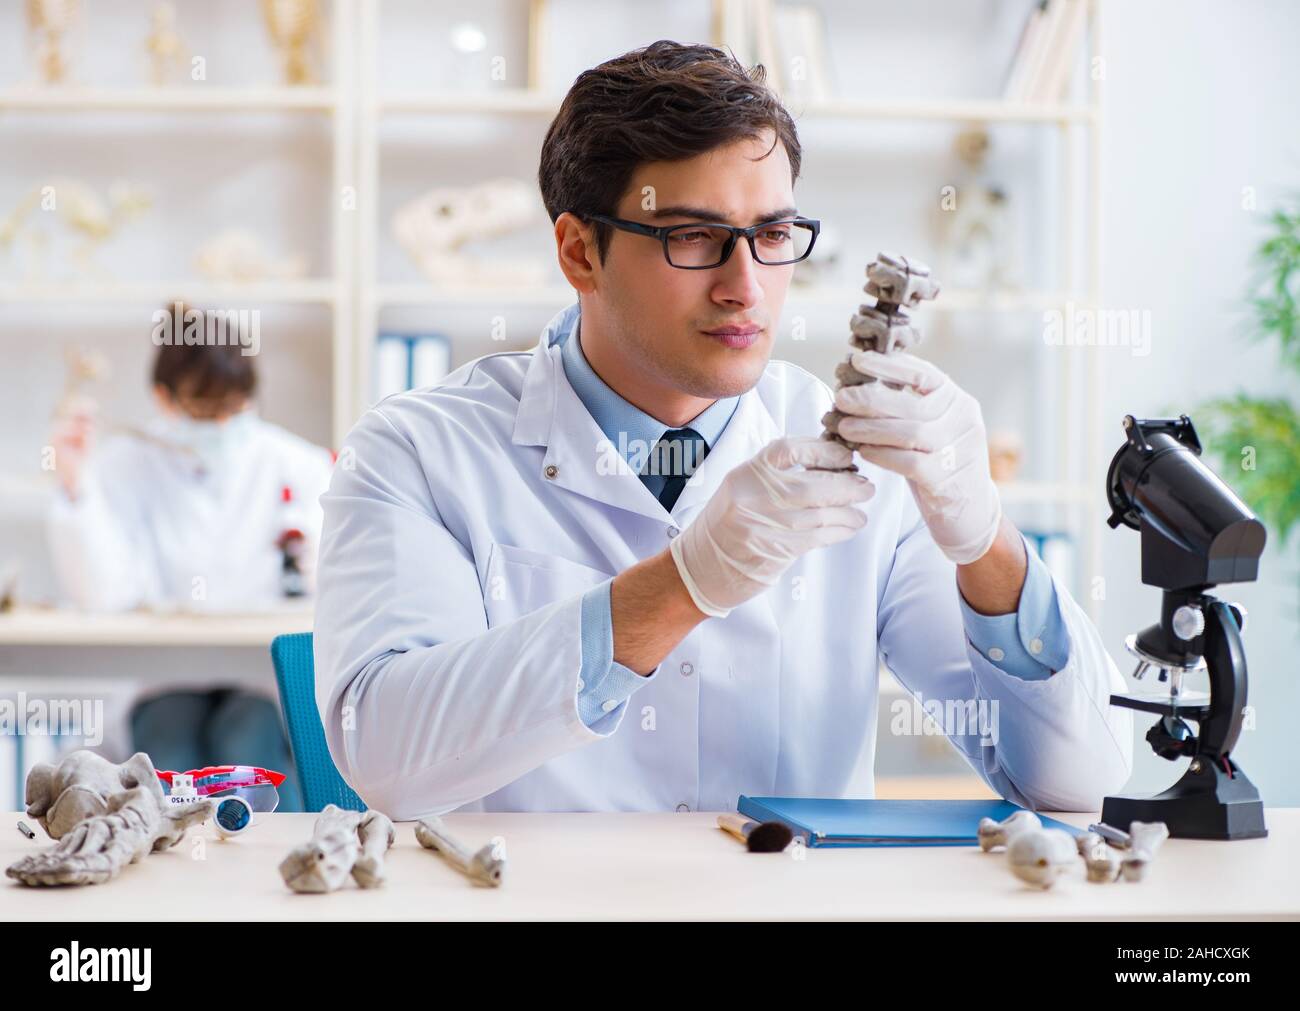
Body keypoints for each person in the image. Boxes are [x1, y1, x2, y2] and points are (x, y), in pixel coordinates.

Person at [314, 41, 1133, 820]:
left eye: (772, 235)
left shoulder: (868, 461)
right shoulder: (419, 452)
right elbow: (384, 755)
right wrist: (682, 584)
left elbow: (1076, 779)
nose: (746, 287)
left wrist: (988, 544)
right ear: (579, 252)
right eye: (694, 237)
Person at [46, 306, 335, 810]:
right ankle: (170, 885)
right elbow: (104, 594)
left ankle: (268, 879)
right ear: (164, 399)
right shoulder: (123, 466)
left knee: (248, 742)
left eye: (235, 407)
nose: (223, 424)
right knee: (170, 752)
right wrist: (75, 483)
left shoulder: (295, 463)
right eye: (206, 411)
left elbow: (325, 579)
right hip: (164, 677)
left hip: (258, 679)